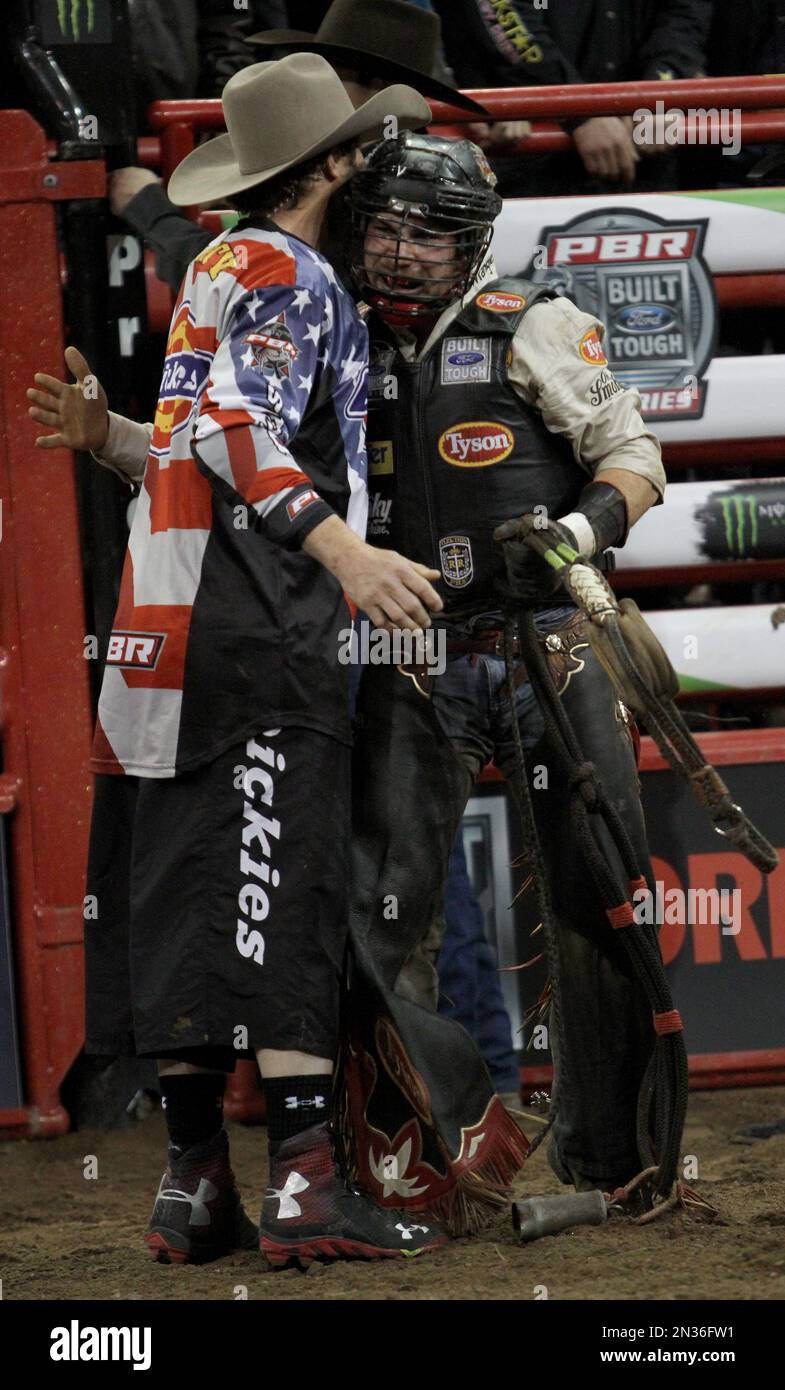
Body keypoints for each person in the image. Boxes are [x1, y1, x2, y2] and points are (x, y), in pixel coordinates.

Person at [30, 55, 451, 1269]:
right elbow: (233, 425)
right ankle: (308, 1183)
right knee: (283, 876)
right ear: (323, 167)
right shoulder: (294, 274)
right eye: (360, 153)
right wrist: (345, 551)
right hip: (261, 622)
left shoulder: (218, 263)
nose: (376, 171)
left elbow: (189, 436)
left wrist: (107, 435)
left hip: (164, 625)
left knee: (182, 882)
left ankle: (191, 1182)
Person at [344, 131, 676, 1193]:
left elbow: (632, 456)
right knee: (382, 908)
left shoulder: (534, 321)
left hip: (549, 638)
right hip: (415, 650)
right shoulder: (337, 337)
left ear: (469, 245)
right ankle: (447, 1137)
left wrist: (574, 539)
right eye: (384, 230)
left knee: (598, 892)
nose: (399, 254)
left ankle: (612, 1157)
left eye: (425, 237)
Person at [109, 0, 488, 294]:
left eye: (324, 72)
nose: (311, 86)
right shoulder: (432, 172)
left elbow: (246, 276)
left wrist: (151, 212)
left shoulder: (356, 184)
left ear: (371, 86)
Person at [433, 0, 714, 195]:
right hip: (520, 160)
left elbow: (684, 18)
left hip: (644, 159)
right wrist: (579, 110)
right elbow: (504, 15)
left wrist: (659, 89)